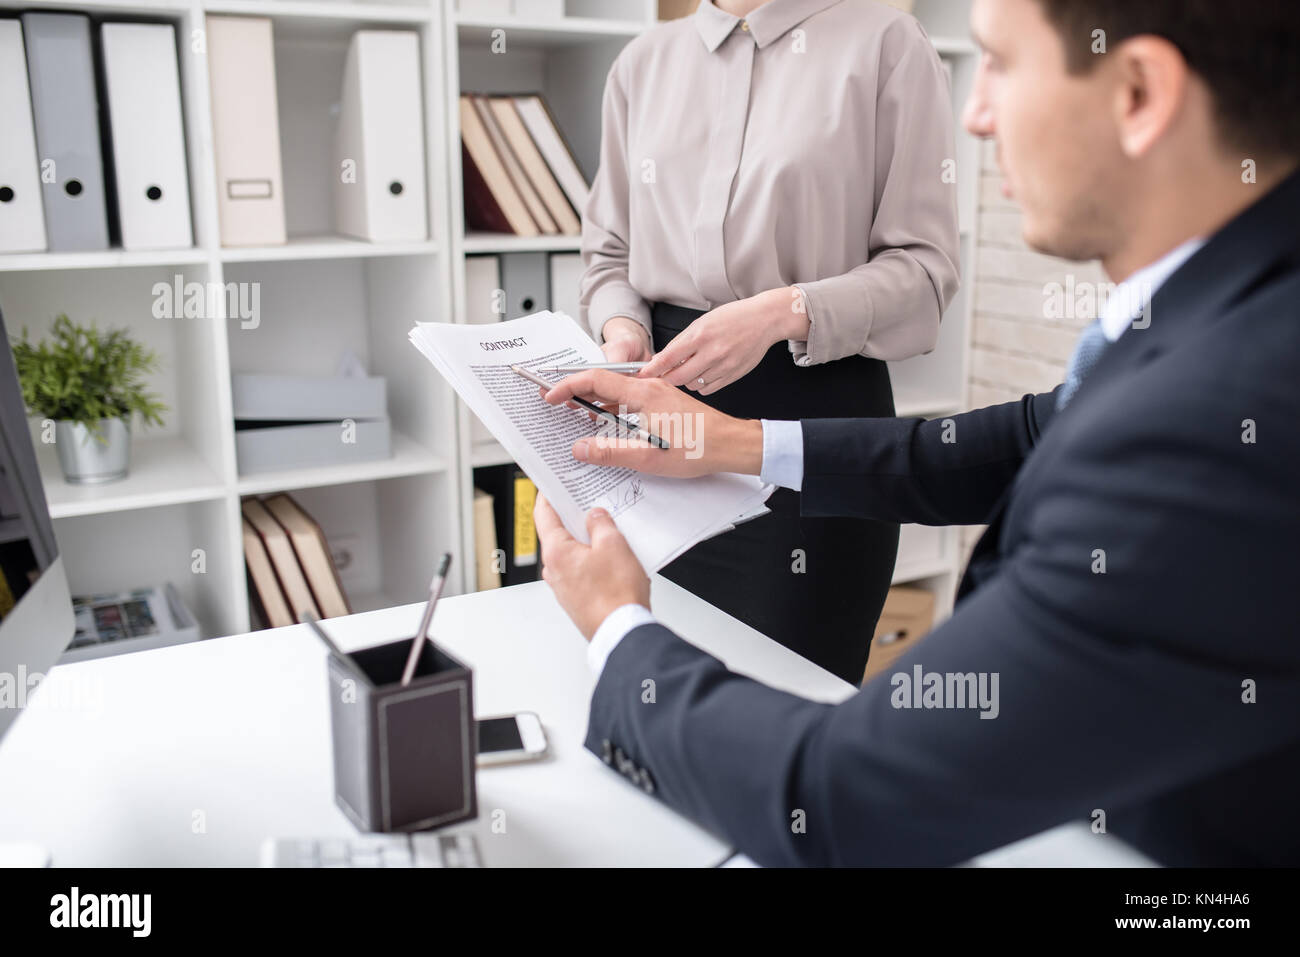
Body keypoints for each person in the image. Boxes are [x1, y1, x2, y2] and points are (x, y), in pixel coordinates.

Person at [534, 0, 1300, 865]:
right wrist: (737, 444)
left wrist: (617, 629)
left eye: (1001, 65)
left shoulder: (1207, 427)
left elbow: (834, 800)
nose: (975, 116)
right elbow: (1024, 435)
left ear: (1138, 93)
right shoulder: (1225, 318)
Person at [578, 0, 961, 684]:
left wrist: (783, 312)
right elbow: (608, 254)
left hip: (812, 436)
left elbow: (926, 273)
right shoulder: (642, 63)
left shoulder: (885, 43)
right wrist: (625, 329)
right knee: (647, 693)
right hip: (653, 432)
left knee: (783, 722)